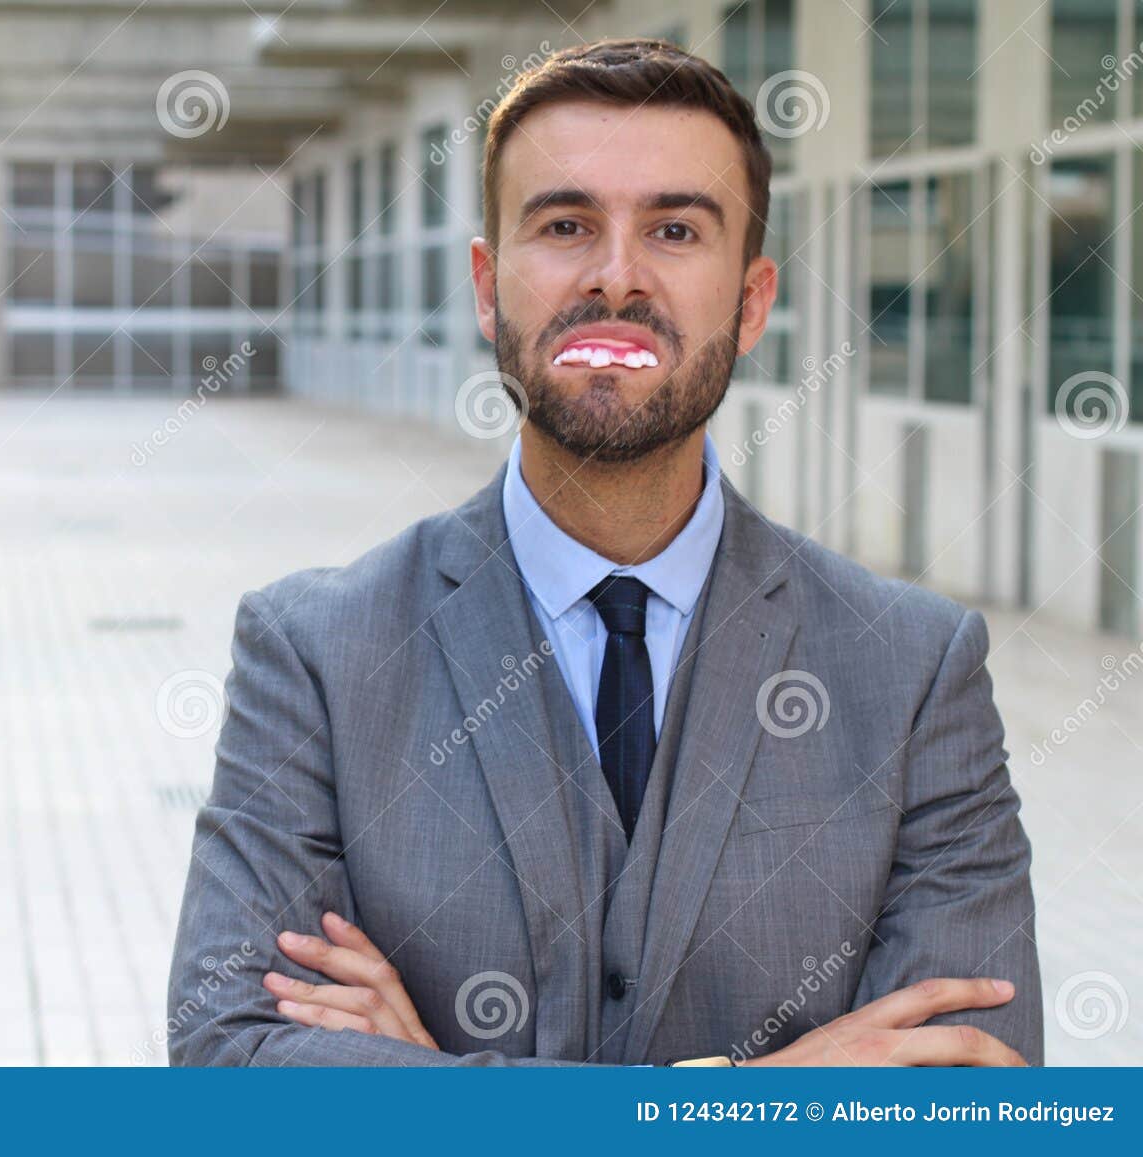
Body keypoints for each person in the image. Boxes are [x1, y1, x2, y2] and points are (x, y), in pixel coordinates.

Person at [166, 37, 1041, 1067]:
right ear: (489, 288)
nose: (615, 278)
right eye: (566, 224)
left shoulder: (913, 671)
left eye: (674, 229)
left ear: (751, 301)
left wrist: (433, 1085)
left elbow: (972, 1093)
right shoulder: (314, 653)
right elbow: (231, 1059)